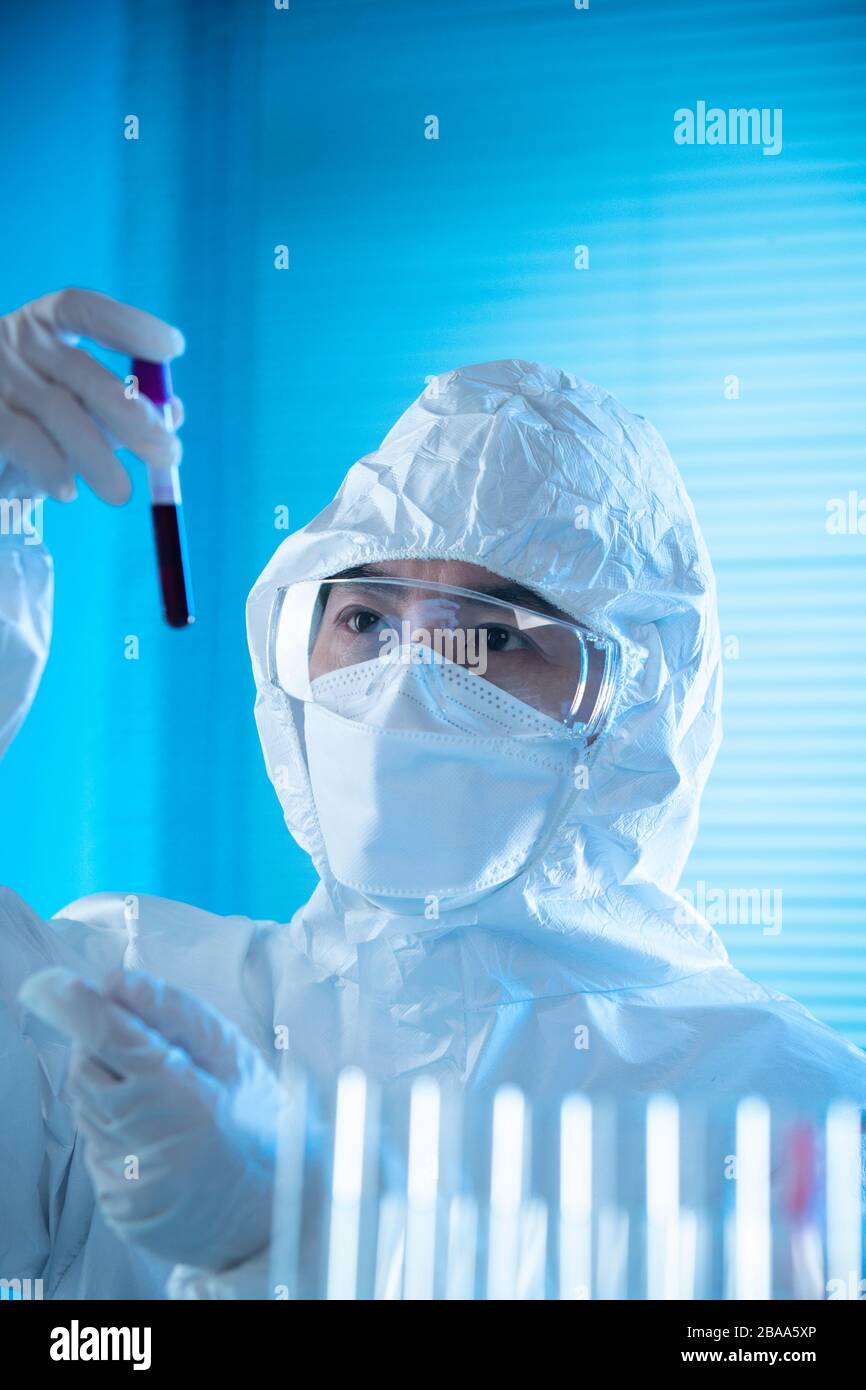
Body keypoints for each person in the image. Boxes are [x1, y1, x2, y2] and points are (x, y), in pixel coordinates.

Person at [1, 290, 864, 1300]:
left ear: (635, 711)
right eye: (362, 619)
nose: (402, 680)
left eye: (488, 638)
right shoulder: (146, 1015)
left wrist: (309, 1239)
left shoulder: (790, 1112)